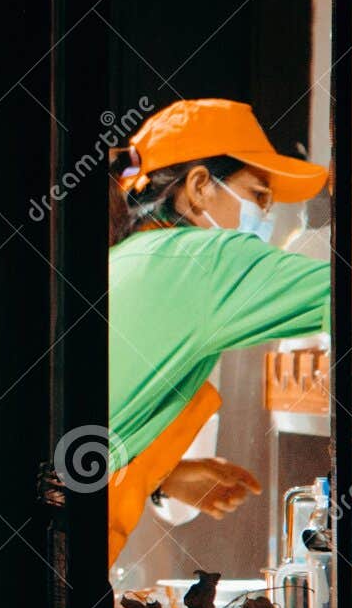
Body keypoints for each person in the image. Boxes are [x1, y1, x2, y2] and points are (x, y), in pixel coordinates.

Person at [106, 98, 329, 566]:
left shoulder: (128, 258)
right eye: (259, 196)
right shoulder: (205, 258)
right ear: (201, 186)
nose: (264, 219)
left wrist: (164, 473)